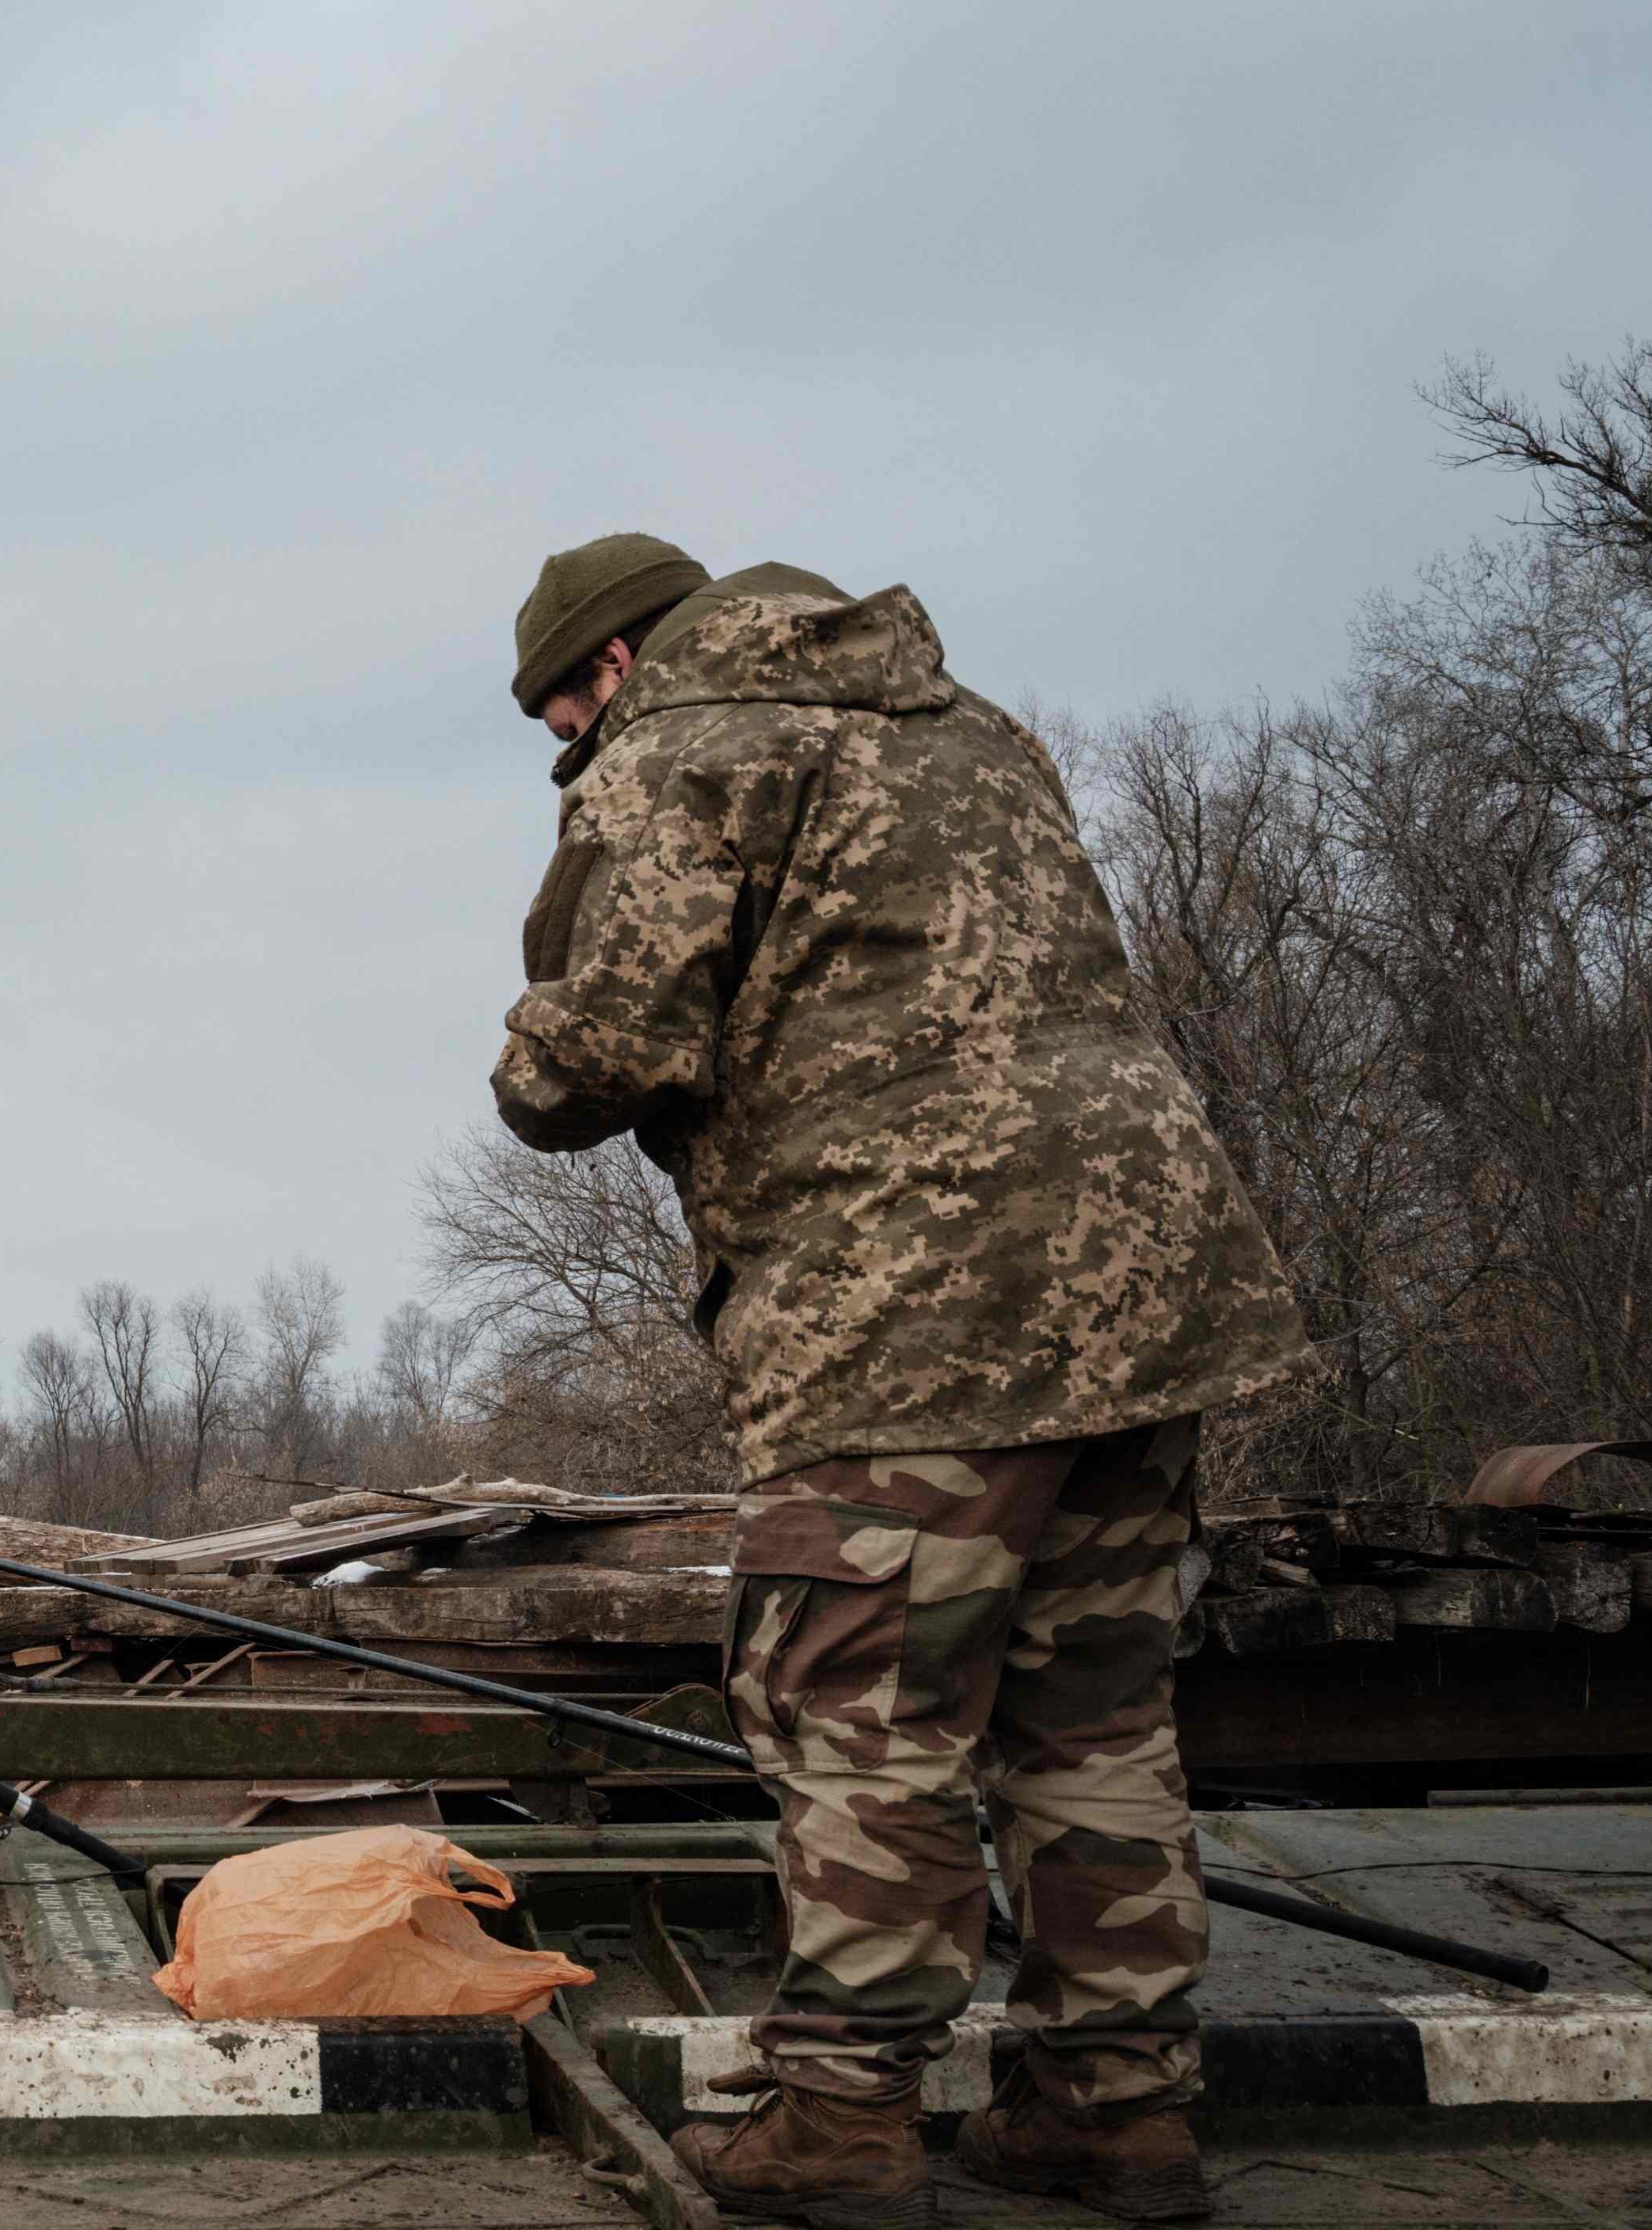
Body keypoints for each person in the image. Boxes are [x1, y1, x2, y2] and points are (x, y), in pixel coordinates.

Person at [494, 535, 1297, 2230]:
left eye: (565, 716)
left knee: (860, 1704)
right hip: (1148, 1269)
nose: (572, 746)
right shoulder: (973, 725)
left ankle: (847, 2121)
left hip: (910, 1293)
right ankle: (1117, 2114)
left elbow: (610, 1043)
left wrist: (526, 1059)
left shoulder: (683, 745)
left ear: (615, 665)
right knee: (1090, 1711)